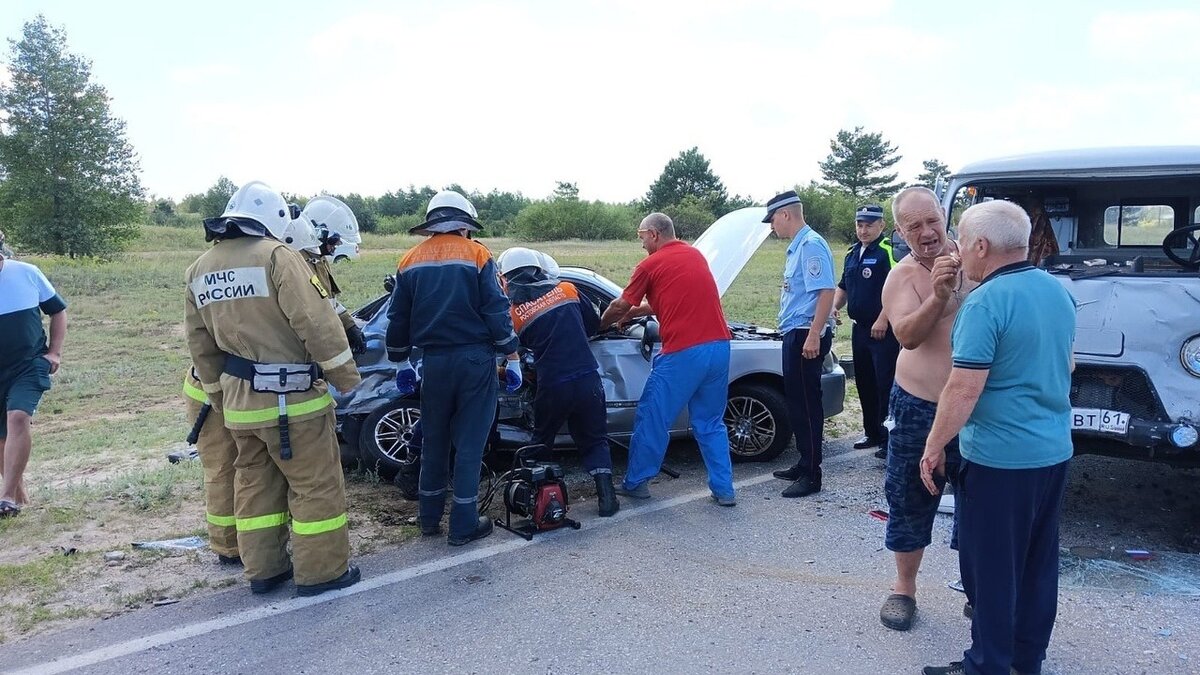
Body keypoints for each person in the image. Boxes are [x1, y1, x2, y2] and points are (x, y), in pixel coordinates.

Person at [919, 200, 1075, 675]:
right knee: (1036, 566)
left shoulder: (986, 302)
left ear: (981, 246)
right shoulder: (1057, 291)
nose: (957, 251)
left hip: (1000, 460)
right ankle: (1026, 660)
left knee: (991, 572)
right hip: (1052, 452)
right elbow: (1066, 366)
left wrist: (932, 448)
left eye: (962, 242)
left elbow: (964, 387)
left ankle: (986, 665)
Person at [185, 180, 362, 597]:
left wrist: (217, 396)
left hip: (240, 406)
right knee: (315, 485)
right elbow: (314, 320)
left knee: (254, 487)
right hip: (293, 403)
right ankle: (322, 573)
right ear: (276, 220)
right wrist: (345, 378)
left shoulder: (199, 268)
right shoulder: (277, 256)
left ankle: (265, 572)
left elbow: (199, 343)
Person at [386, 190, 521, 545]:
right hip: (474, 359)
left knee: (434, 441)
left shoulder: (409, 260)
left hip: (433, 362)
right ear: (464, 226)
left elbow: (397, 317)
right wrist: (512, 355)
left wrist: (400, 361)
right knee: (470, 444)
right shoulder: (478, 254)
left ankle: (429, 519)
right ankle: (463, 523)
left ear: (432, 224)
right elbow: (496, 309)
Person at [876, 186, 977, 632]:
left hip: (977, 409)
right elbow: (908, 336)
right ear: (901, 232)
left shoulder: (979, 260)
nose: (926, 231)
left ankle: (978, 588)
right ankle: (904, 589)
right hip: (919, 406)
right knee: (909, 497)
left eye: (931, 220)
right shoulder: (901, 277)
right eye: (913, 226)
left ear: (946, 216)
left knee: (981, 503)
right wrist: (938, 295)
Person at [598, 212, 736, 507]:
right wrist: (633, 314)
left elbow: (620, 302)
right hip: (719, 347)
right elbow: (669, 299)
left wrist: (600, 324)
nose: (641, 245)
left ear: (654, 234)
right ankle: (724, 490)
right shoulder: (695, 256)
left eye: (641, 237)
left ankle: (636, 482)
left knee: (653, 417)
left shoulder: (650, 264)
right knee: (710, 422)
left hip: (684, 353)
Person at [497, 246, 619, 517]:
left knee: (542, 440)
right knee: (595, 439)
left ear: (505, 279)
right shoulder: (567, 289)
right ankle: (607, 499)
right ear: (538, 269)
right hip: (588, 379)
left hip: (552, 385)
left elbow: (519, 349)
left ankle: (539, 499)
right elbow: (592, 325)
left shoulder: (514, 313)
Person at [765, 191, 836, 498]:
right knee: (797, 402)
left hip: (805, 334)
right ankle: (804, 461)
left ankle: (811, 474)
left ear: (786, 215)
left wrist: (814, 333)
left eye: (773, 220)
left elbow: (825, 292)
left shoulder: (810, 245)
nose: (772, 227)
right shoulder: (798, 247)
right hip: (797, 331)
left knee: (807, 405)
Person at [0, 230, 68, 518]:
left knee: (17, 417)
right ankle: (18, 494)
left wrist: (53, 352)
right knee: (1, 435)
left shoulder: (27, 273)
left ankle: (5, 499)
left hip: (27, 364)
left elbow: (58, 311)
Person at [831, 204, 901, 459]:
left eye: (869, 225)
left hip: (883, 330)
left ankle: (888, 438)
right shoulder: (852, 253)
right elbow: (843, 286)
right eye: (860, 225)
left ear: (881, 225)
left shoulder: (887, 251)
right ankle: (871, 431)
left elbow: (898, 287)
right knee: (864, 383)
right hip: (860, 329)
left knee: (885, 384)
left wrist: (883, 318)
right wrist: (834, 307)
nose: (863, 230)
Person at [182, 366, 240, 564]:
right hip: (214, 394)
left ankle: (247, 543)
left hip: (225, 388)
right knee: (224, 470)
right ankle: (230, 546)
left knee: (248, 469)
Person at [295, 196, 367, 354]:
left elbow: (330, 302)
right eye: (335, 240)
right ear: (318, 233)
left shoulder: (319, 260)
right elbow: (311, 313)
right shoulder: (298, 262)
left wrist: (350, 326)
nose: (338, 244)